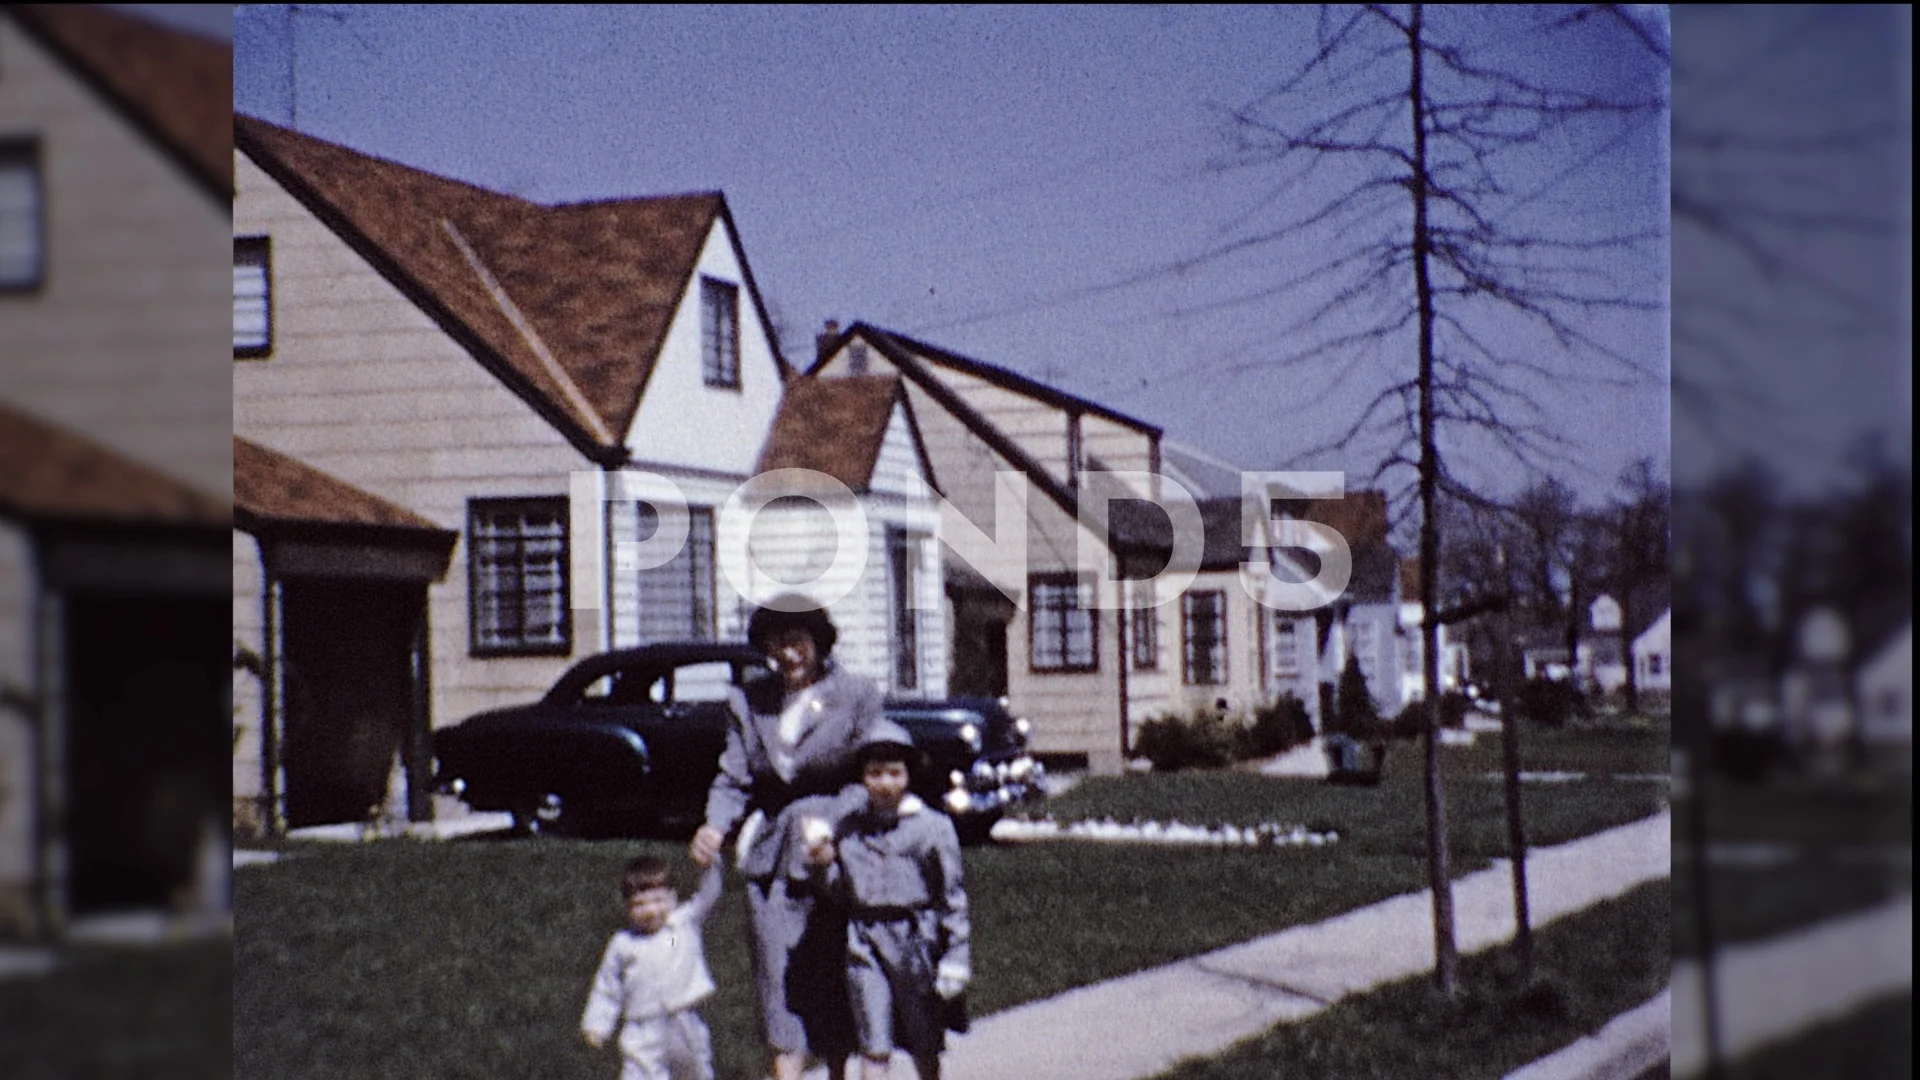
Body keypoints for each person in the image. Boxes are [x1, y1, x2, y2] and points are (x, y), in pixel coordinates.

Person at [690, 597, 885, 1080]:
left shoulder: (857, 693)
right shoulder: (748, 701)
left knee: (838, 973)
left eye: (798, 642)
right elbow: (733, 777)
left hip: (839, 850)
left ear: (819, 642)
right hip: (773, 853)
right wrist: (714, 826)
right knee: (776, 979)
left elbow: (872, 777)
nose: (789, 655)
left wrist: (834, 826)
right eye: (777, 645)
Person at [799, 723, 970, 1080]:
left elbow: (951, 897)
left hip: (914, 940)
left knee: (923, 1039)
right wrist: (822, 865)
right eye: (874, 774)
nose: (885, 784)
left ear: (909, 775)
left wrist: (955, 955)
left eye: (894, 773)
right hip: (864, 940)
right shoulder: (850, 829)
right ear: (861, 777)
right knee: (873, 1041)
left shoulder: (931, 827)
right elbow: (842, 891)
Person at [580, 855, 724, 1080]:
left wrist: (710, 864)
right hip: (642, 1026)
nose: (650, 911)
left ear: (673, 897)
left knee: (695, 1071)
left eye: (658, 901)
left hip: (684, 1018)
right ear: (627, 906)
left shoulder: (684, 922)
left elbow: (709, 893)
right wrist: (597, 1024)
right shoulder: (623, 943)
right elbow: (608, 986)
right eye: (639, 904)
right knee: (639, 1072)